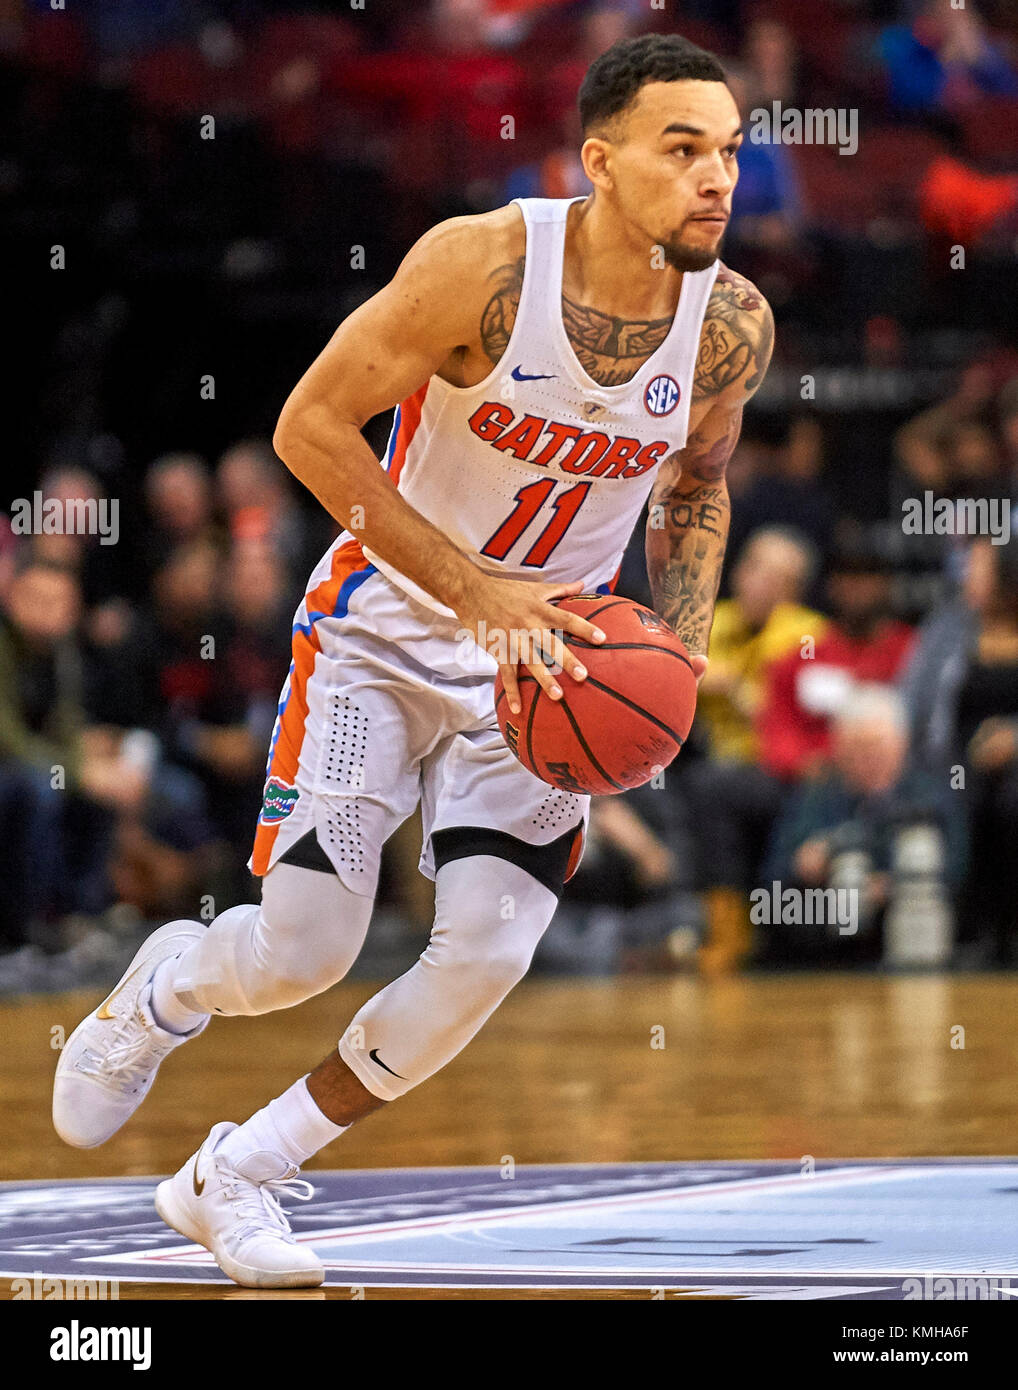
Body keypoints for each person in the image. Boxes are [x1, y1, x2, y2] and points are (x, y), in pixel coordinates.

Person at [53, 33, 773, 1288]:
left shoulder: (731, 327)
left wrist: (684, 644)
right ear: (598, 163)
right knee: (305, 951)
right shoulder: (480, 266)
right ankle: (163, 989)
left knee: (488, 952)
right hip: (382, 629)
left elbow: (697, 490)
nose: (717, 176)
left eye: (729, 149)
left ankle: (239, 1173)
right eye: (683, 148)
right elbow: (306, 429)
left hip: (549, 665)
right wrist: (475, 589)